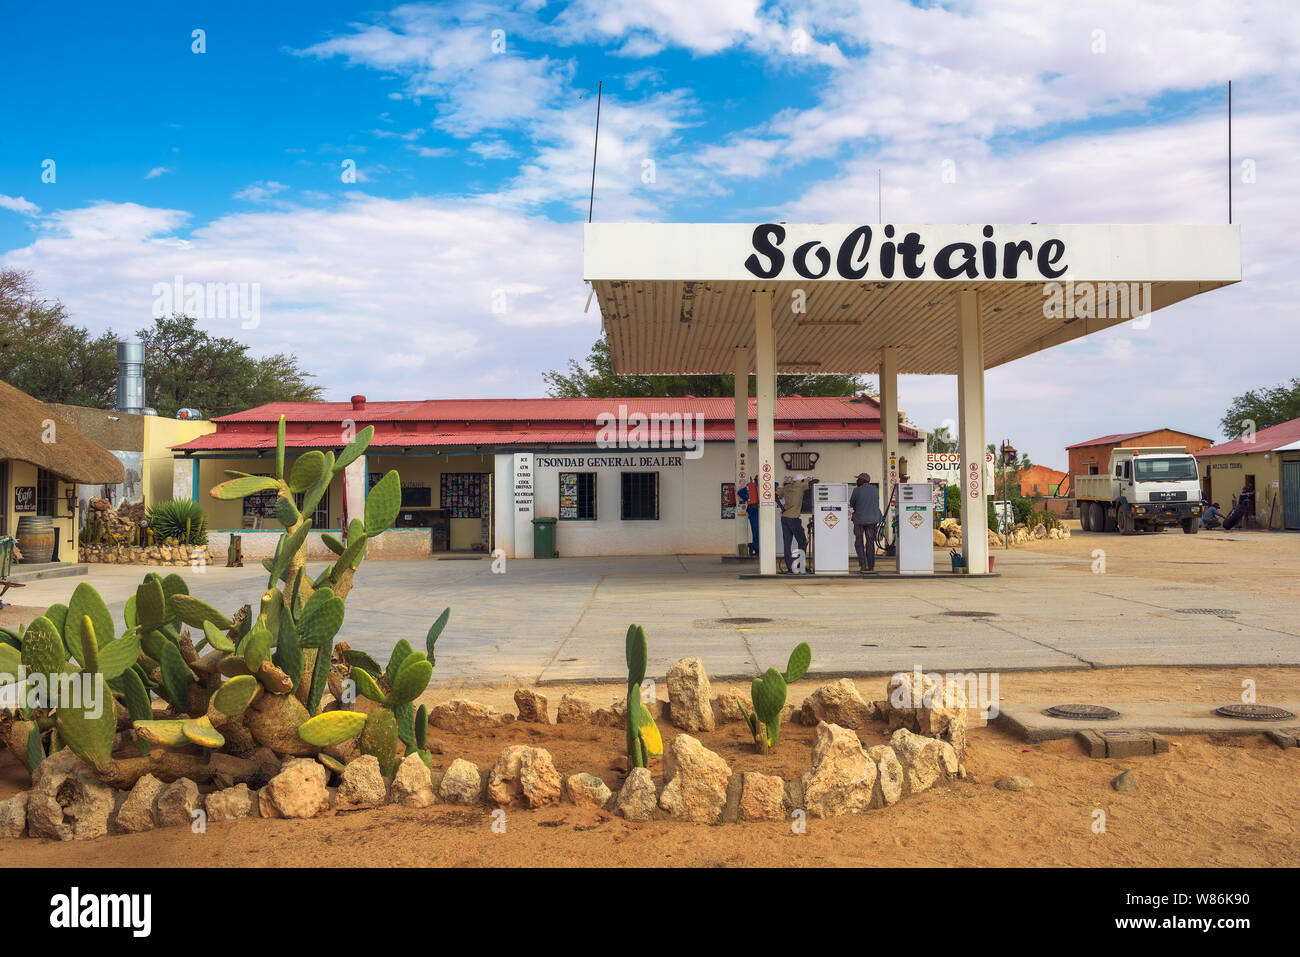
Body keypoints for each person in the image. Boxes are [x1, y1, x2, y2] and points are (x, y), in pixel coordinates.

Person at [779, 474, 814, 573]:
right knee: (802, 542)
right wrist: (809, 481)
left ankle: (790, 568)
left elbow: (775, 494)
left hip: (785, 517)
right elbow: (815, 481)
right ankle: (800, 566)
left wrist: (782, 508)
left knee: (787, 544)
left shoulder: (786, 487)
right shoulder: (800, 486)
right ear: (801, 480)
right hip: (793, 519)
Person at [849, 472, 883, 572]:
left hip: (859, 520)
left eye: (858, 479)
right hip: (872, 520)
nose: (857, 481)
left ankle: (863, 564)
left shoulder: (856, 490)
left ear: (863, 480)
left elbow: (852, 504)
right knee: (870, 543)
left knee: (859, 542)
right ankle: (871, 566)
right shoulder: (875, 490)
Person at [737, 476, 760, 556]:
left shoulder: (764, 487)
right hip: (754, 510)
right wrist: (747, 498)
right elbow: (740, 492)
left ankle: (755, 546)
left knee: (761, 531)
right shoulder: (751, 487)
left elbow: (776, 485)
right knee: (756, 531)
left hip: (762, 510)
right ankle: (756, 548)